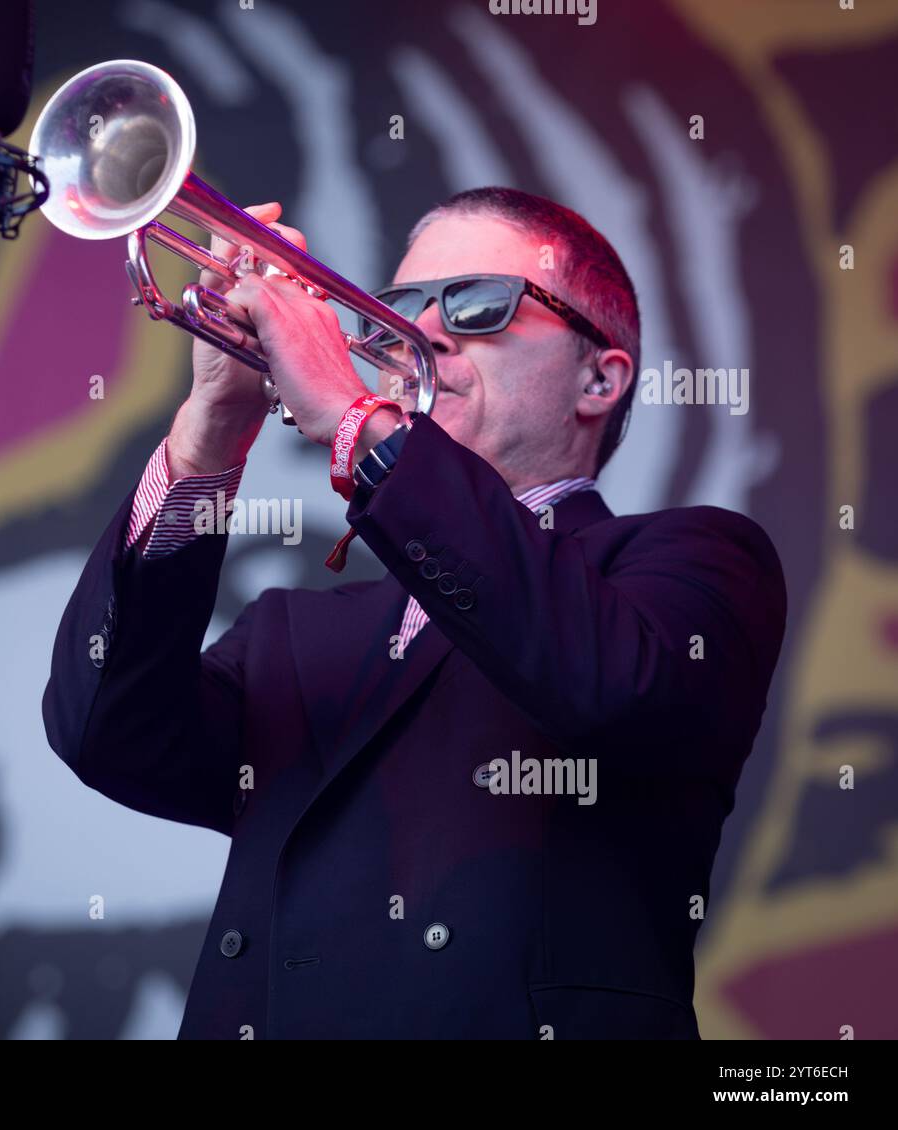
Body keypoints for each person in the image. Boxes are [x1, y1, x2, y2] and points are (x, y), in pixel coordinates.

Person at [42, 187, 786, 1039]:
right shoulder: (296, 632)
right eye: (400, 306)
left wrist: (358, 418)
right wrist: (209, 431)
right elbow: (103, 731)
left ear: (598, 377)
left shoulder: (694, 563)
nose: (419, 333)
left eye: (478, 304)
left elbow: (600, 678)